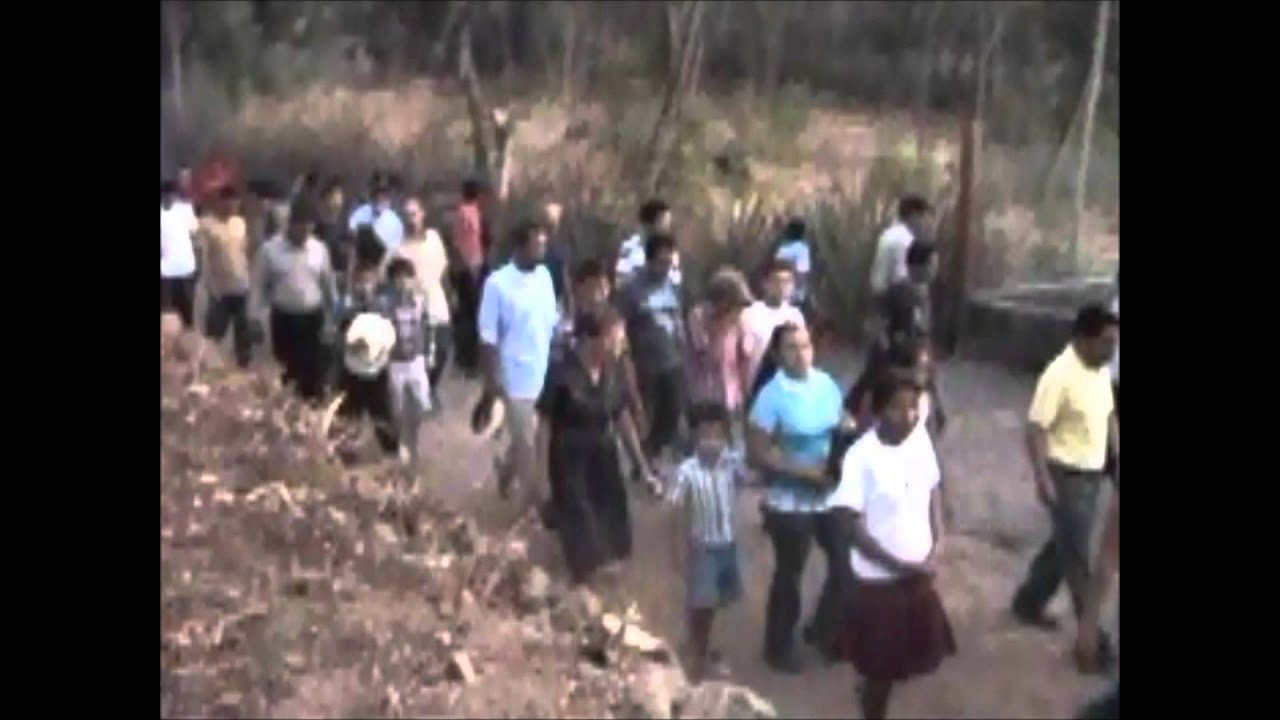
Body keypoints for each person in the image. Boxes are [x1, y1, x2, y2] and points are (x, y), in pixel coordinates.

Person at [828, 373, 955, 720]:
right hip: (879, 583)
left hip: (917, 576)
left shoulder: (920, 441)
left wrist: (939, 538)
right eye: (898, 407)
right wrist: (900, 565)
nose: (909, 415)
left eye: (914, 406)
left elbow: (933, 490)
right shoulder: (860, 457)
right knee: (879, 671)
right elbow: (850, 526)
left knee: (908, 659)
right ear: (878, 409)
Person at [1011, 304, 1119, 668]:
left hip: (1093, 472)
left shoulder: (1099, 370)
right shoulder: (1058, 374)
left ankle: (1028, 602)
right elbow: (1035, 429)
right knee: (1077, 559)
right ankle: (1094, 642)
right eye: (1105, 342)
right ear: (1082, 339)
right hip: (1065, 474)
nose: (1112, 350)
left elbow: (1108, 415)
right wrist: (1042, 479)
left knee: (1063, 547)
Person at [746, 322, 845, 673]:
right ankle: (778, 646)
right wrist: (803, 472)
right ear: (777, 354)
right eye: (791, 347)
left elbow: (842, 423)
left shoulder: (826, 384)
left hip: (829, 491)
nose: (801, 353)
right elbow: (758, 451)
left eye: (805, 346)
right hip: (788, 497)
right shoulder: (771, 396)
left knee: (845, 562)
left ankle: (823, 630)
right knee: (791, 572)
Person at [537, 308, 655, 584]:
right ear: (594, 339)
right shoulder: (561, 373)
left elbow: (622, 417)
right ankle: (580, 593)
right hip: (570, 461)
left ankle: (605, 599)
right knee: (582, 532)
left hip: (604, 458)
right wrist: (541, 481)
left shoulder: (613, 370)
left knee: (613, 531)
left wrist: (643, 467)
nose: (621, 345)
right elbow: (543, 429)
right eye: (616, 339)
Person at [667, 401, 751, 682]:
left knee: (712, 602)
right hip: (702, 547)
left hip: (727, 544)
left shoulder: (732, 462)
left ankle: (697, 643)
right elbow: (675, 510)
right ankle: (697, 655)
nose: (711, 442)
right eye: (705, 436)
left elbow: (747, 480)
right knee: (702, 603)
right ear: (693, 437)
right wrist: (678, 549)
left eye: (717, 435)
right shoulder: (686, 471)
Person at [478, 221, 561, 505]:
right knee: (529, 445)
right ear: (519, 247)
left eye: (544, 244)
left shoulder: (545, 277)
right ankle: (534, 507)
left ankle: (505, 472)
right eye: (537, 244)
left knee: (535, 435)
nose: (542, 249)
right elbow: (487, 336)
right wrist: (492, 381)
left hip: (546, 371)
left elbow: (552, 321)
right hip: (515, 377)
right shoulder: (497, 284)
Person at [252, 196, 339, 402]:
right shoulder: (270, 250)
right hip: (284, 319)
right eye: (301, 228)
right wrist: (253, 317)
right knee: (286, 371)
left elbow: (329, 286)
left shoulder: (319, 249)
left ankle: (312, 413)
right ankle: (288, 411)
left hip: (312, 319)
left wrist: (333, 319)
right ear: (291, 224)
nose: (305, 234)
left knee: (313, 371)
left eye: (309, 229)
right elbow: (258, 287)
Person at [617, 233, 688, 465]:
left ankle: (654, 454)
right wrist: (625, 360)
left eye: (670, 262)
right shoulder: (631, 289)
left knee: (673, 411)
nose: (666, 267)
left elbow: (678, 318)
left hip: (672, 361)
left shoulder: (674, 287)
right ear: (649, 260)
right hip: (644, 364)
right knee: (644, 416)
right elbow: (619, 326)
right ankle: (643, 463)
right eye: (661, 262)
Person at [335, 239, 399, 457]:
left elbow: (390, 334)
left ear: (375, 280)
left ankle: (393, 457)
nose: (363, 285)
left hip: (377, 371)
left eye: (368, 280)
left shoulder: (383, 304)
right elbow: (338, 334)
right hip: (351, 371)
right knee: (349, 415)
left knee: (382, 415)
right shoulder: (345, 305)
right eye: (359, 280)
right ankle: (347, 458)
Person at [685, 268, 753, 447]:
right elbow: (707, 356)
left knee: (735, 444)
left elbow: (746, 354)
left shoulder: (740, 320)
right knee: (706, 444)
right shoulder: (698, 316)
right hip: (705, 394)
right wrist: (721, 326)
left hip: (732, 394)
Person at [395, 197, 453, 397]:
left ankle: (431, 387)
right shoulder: (399, 249)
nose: (410, 219)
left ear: (422, 214)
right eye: (406, 216)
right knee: (423, 354)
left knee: (444, 349)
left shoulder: (434, 239)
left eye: (414, 214)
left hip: (437, 302)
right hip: (415, 309)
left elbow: (444, 269)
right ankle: (421, 392)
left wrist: (450, 293)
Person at [382, 258, 435, 469]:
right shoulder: (385, 305)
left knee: (421, 405)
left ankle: (414, 442)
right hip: (395, 363)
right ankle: (400, 445)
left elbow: (427, 325)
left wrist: (430, 351)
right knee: (397, 408)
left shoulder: (420, 301)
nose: (403, 282)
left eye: (407, 277)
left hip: (416, 360)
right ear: (392, 281)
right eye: (398, 278)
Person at [198, 186, 254, 368]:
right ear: (220, 203)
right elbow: (204, 260)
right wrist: (211, 288)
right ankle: (205, 369)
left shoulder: (240, 223)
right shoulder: (208, 226)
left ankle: (243, 369)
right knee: (213, 336)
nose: (232, 207)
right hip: (220, 292)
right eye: (229, 203)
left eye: (236, 203)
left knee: (243, 336)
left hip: (241, 288)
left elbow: (245, 253)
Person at [741, 259, 807, 384]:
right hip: (756, 385)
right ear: (765, 284)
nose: (782, 287)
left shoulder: (796, 316)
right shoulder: (750, 314)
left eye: (787, 282)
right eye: (777, 281)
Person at [451, 178, 489, 374]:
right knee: (471, 315)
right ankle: (468, 358)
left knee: (471, 315)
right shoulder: (468, 213)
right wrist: (472, 268)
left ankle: (469, 358)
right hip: (470, 269)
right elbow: (465, 244)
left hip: (472, 267)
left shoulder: (467, 213)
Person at [869, 195, 933, 303]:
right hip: (896, 303)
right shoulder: (905, 240)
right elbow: (901, 280)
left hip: (883, 298)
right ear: (914, 216)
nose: (925, 222)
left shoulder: (890, 234)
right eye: (923, 217)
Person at [883, 240, 939, 344]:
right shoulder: (900, 292)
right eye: (932, 264)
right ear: (920, 266)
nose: (935, 269)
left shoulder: (925, 294)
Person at [616, 198, 682, 286]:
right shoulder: (630, 247)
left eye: (668, 224)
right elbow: (621, 279)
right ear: (646, 224)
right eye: (663, 223)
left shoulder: (671, 253)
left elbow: (676, 281)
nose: (666, 228)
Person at [161, 179, 200, 328]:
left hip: (186, 269)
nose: (169, 198)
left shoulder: (185, 209)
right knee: (167, 316)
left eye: (172, 195)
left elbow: (195, 232)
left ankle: (187, 345)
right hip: (166, 272)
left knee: (187, 313)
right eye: (166, 195)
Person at [348, 176, 405, 253]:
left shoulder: (395, 222)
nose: (380, 198)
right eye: (377, 194)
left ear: (389, 198)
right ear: (372, 196)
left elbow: (396, 247)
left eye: (384, 195)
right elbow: (352, 233)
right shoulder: (361, 213)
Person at [773, 218, 813, 315]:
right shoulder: (802, 249)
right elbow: (802, 272)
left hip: (780, 292)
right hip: (797, 294)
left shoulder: (781, 249)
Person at [315, 178, 350, 285]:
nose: (337, 200)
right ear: (324, 200)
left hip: (340, 280)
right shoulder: (315, 228)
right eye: (333, 196)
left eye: (339, 196)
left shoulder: (346, 228)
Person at [541, 201, 573, 311]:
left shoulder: (561, 247)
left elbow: (565, 275)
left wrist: (568, 299)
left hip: (554, 298)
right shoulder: (538, 243)